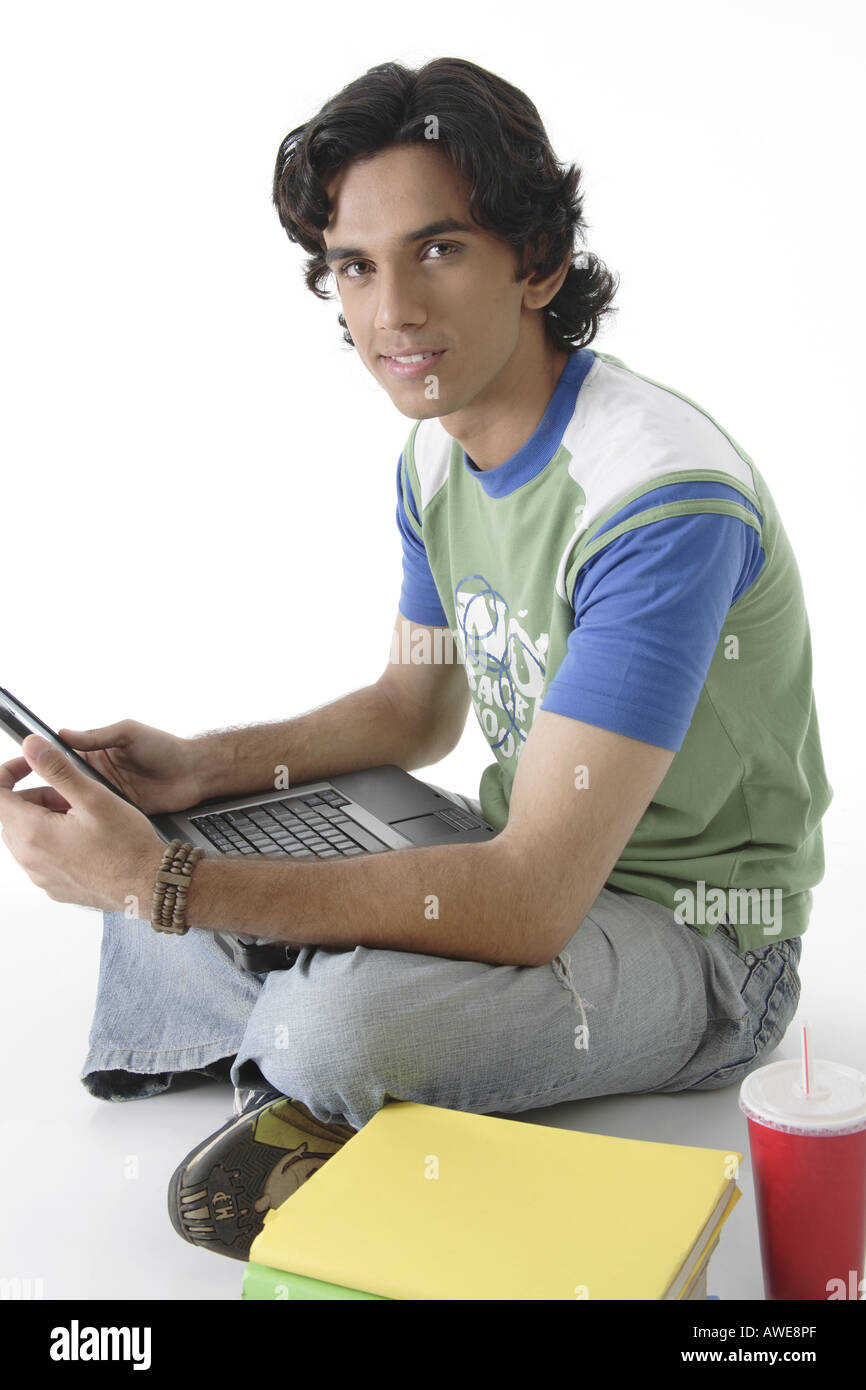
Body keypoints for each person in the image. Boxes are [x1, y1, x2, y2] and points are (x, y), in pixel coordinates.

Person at [0, 57, 832, 1264]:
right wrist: (197, 771)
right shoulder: (436, 456)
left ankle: (310, 1058)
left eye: (436, 250)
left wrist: (170, 894)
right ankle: (308, 1065)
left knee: (323, 1011)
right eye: (353, 264)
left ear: (536, 262)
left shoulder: (658, 503)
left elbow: (536, 893)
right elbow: (413, 707)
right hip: (519, 870)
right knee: (184, 838)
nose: (389, 309)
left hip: (695, 939)